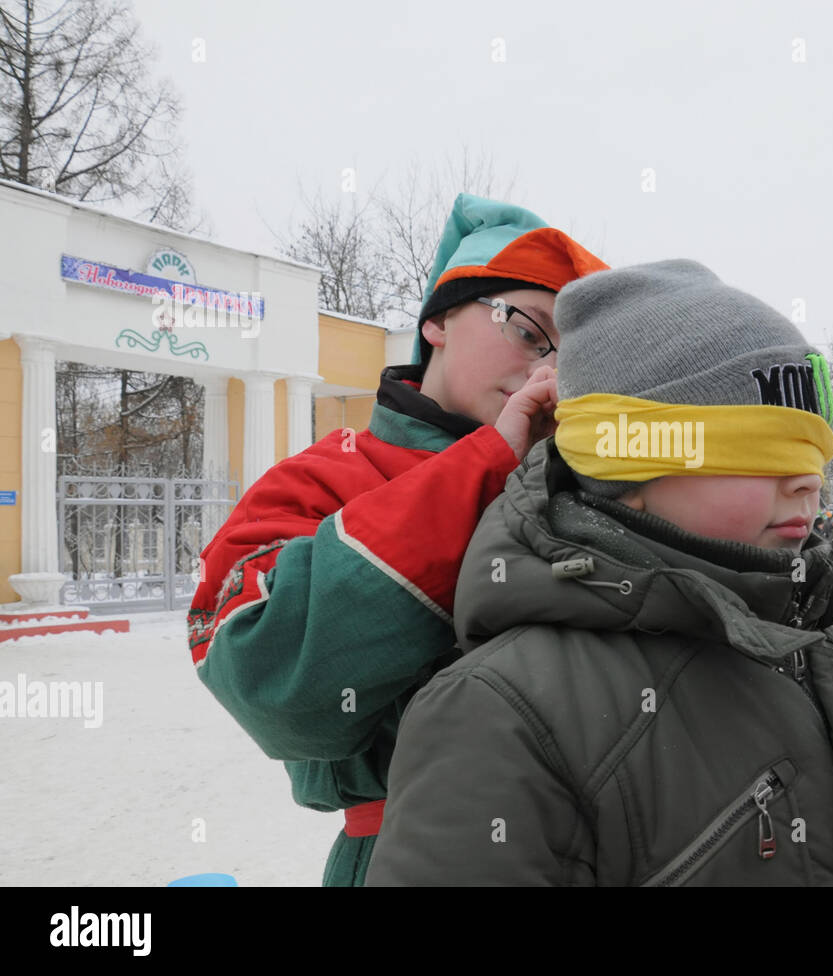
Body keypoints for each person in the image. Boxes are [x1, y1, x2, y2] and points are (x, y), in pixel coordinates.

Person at [368, 259, 833, 886]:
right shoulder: (501, 713)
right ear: (627, 466)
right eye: (759, 450)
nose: (808, 478)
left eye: (815, 449)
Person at [186, 194, 606, 886]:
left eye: (572, 361)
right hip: (409, 854)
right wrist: (485, 466)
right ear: (438, 320)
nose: (545, 375)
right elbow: (269, 681)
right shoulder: (323, 477)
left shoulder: (586, 488)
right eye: (530, 332)